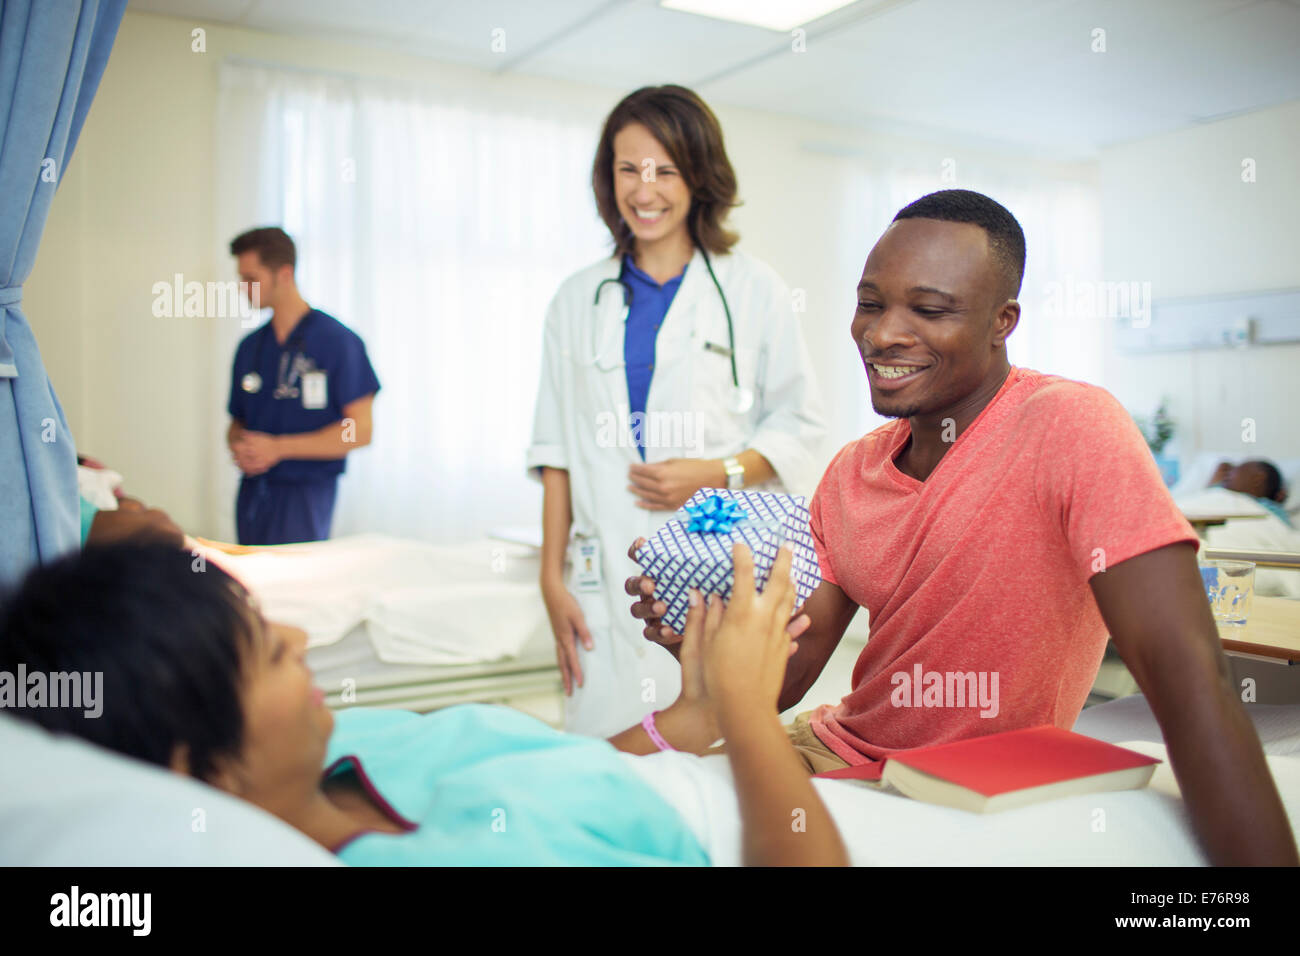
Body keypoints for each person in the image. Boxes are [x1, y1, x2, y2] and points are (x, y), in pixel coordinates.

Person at [627, 188, 1298, 865]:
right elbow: (789, 679)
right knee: (617, 813)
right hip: (830, 751)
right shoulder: (850, 473)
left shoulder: (1069, 427)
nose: (883, 333)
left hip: (967, 791)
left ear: (1001, 321)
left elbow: (1189, 676)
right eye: (869, 303)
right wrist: (711, 643)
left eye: (929, 309)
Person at [0, 543, 847, 867]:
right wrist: (745, 712)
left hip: (723, 785)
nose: (297, 638)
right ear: (203, 768)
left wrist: (688, 716)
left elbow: (546, 772)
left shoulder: (346, 747)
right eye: (263, 650)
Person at [526, 85, 826, 738]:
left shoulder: (754, 289)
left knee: (708, 769)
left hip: (712, 571)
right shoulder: (576, 300)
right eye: (629, 168)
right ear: (610, 179)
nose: (645, 189)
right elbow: (555, 449)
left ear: (699, 176)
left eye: (665, 170)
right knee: (604, 766)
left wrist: (718, 470)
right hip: (601, 580)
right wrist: (551, 583)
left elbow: (800, 424)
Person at [227, 227, 381, 545]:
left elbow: (360, 430)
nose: (243, 289)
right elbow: (236, 423)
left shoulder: (338, 342)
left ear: (284, 274)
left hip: (305, 494)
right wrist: (242, 446)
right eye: (242, 280)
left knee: (297, 586)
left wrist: (279, 448)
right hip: (254, 492)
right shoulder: (250, 348)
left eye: (251, 279)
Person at [1208, 458, 1291, 526]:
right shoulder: (1218, 495)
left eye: (1234, 470)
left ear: (1257, 479)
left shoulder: (1270, 510)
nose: (1225, 476)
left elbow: (1281, 530)